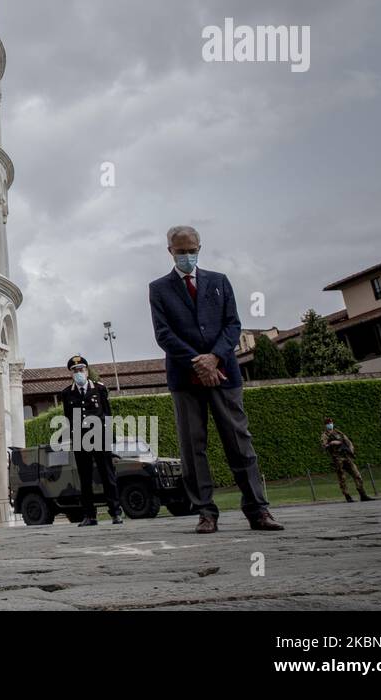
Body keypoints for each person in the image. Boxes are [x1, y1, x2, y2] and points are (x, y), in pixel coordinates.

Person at [148, 225, 283, 534]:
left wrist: (215, 358)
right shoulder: (159, 288)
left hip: (224, 372)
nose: (187, 256)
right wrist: (198, 361)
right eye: (181, 251)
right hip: (186, 375)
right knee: (193, 448)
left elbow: (233, 324)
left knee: (240, 442)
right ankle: (206, 512)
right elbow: (163, 334)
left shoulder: (219, 281)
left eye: (192, 250)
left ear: (200, 247)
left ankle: (257, 509)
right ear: (170, 251)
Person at [59, 354, 123, 526]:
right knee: (84, 478)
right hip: (81, 438)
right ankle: (90, 515)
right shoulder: (67, 394)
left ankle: (116, 512)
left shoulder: (100, 389)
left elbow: (108, 415)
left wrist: (111, 440)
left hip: (100, 436)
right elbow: (68, 418)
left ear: (87, 371)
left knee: (107, 475)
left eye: (81, 369)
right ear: (71, 374)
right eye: (75, 371)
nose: (78, 373)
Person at [321, 417, 373, 502]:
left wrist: (351, 450)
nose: (330, 424)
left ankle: (362, 494)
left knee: (357, 475)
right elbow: (324, 446)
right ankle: (347, 496)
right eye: (328, 423)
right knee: (342, 478)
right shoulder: (325, 435)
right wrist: (331, 443)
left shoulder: (338, 432)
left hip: (346, 456)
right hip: (337, 458)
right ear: (325, 425)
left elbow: (347, 441)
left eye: (331, 422)